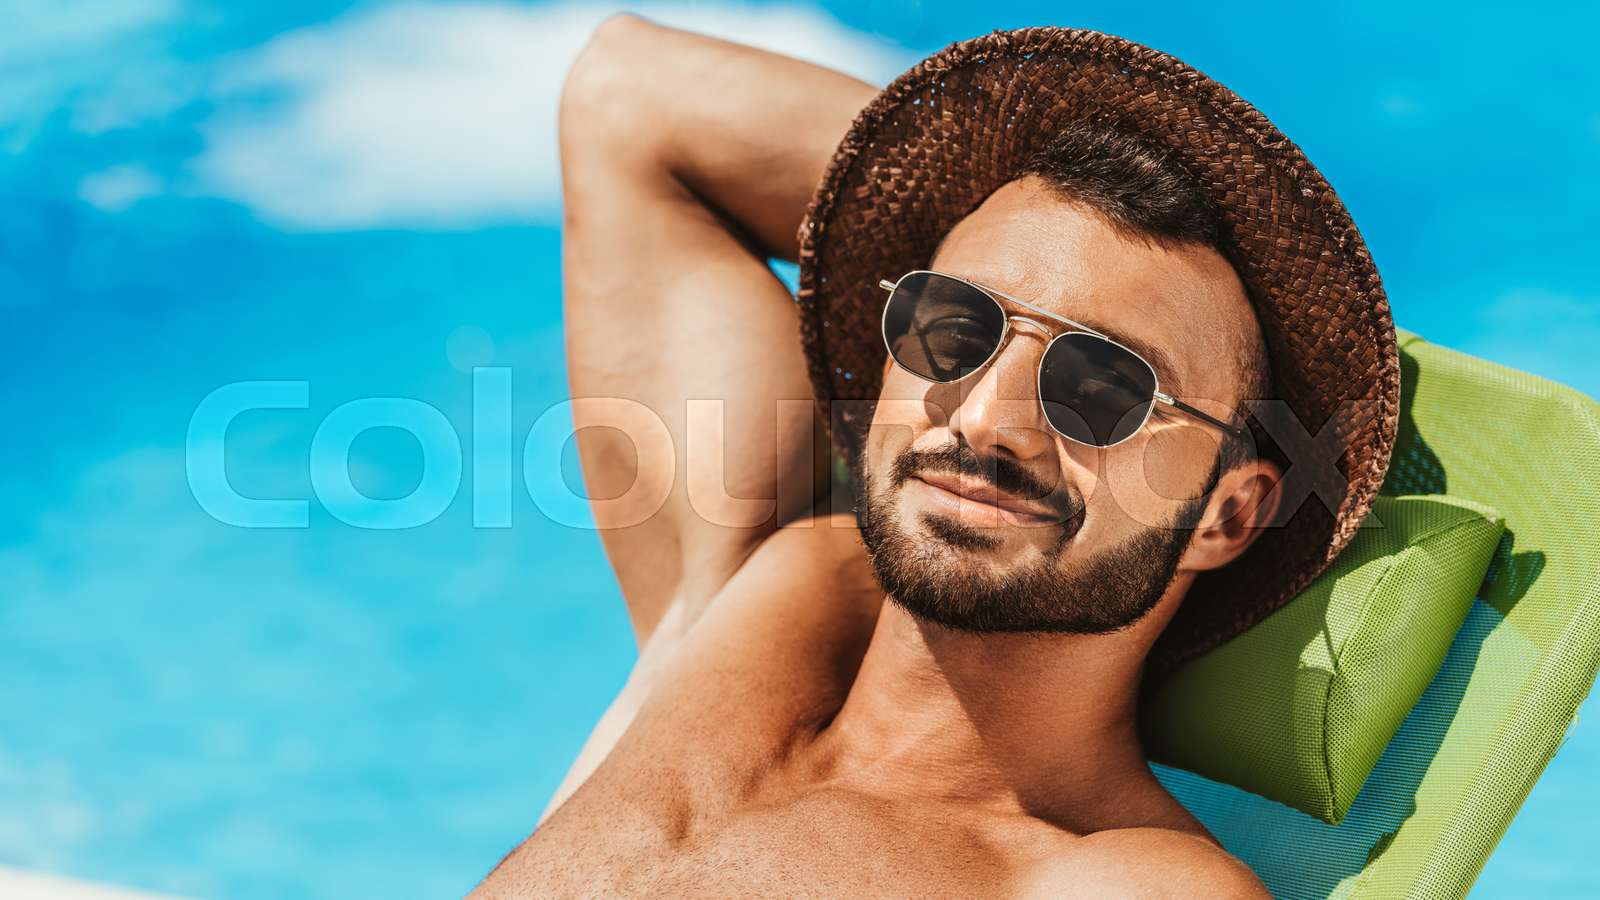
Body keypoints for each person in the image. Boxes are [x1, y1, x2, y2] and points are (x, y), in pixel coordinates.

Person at [472, 16, 1398, 898]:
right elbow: (628, 91)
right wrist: (1005, 195)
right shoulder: (751, 609)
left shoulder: (1114, 884)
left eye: (1104, 385)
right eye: (952, 327)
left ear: (1225, 515)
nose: (989, 420)